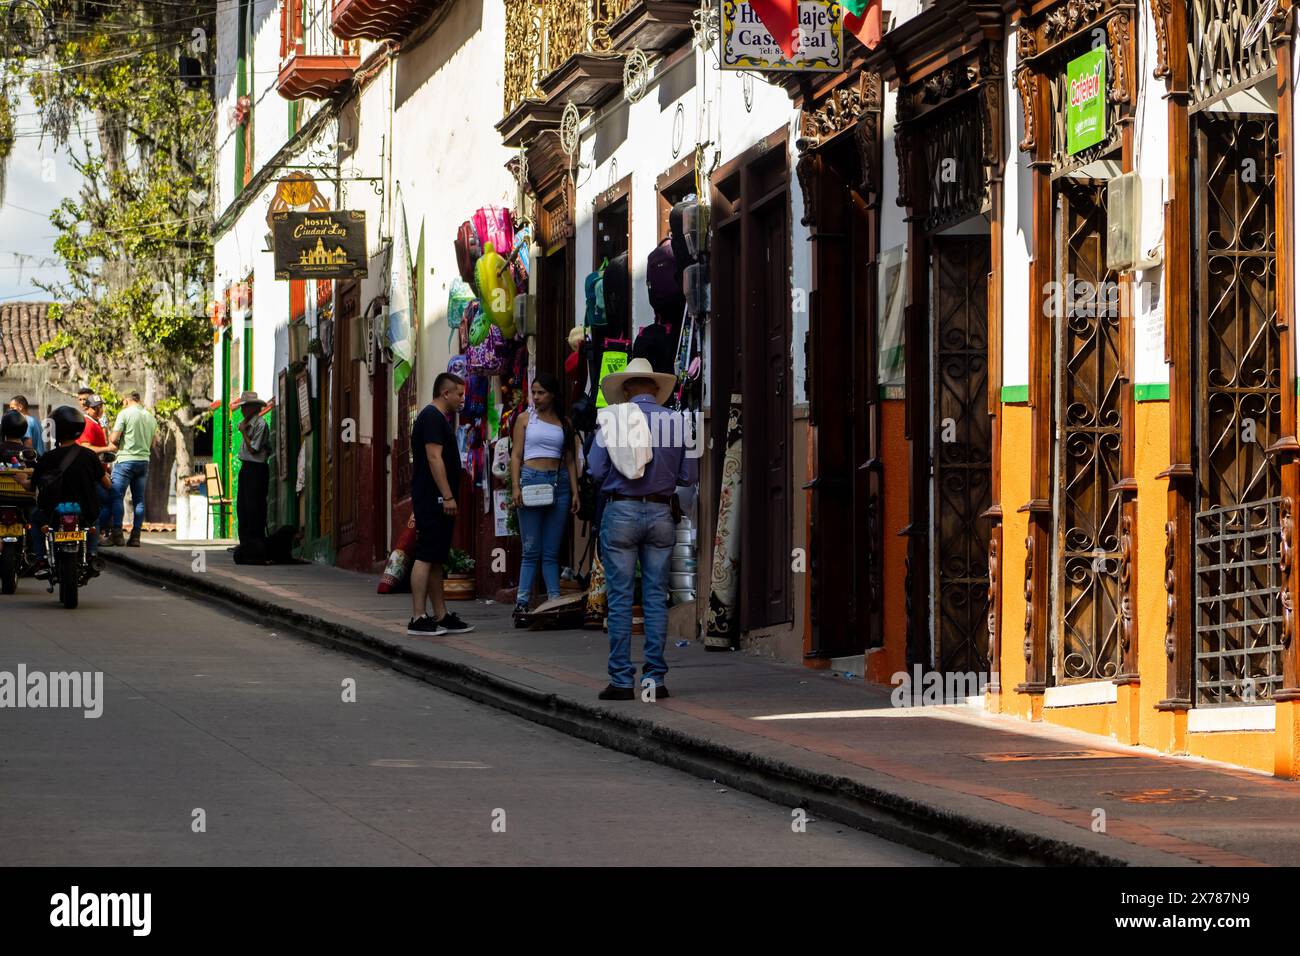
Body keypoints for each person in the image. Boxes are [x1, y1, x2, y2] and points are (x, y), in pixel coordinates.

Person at [586, 357, 698, 701]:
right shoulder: (678, 421)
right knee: (655, 597)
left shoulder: (612, 420)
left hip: (621, 510)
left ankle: (621, 680)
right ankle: (654, 680)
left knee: (620, 598)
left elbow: (595, 470)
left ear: (626, 390)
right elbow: (689, 477)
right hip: (662, 513)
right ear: (655, 388)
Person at [407, 372, 474, 636]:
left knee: (436, 557)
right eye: (459, 394)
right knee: (426, 554)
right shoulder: (432, 417)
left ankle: (441, 614)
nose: (462, 399)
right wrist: (447, 495)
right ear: (446, 393)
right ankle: (417, 616)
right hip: (433, 498)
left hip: (436, 497)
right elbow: (434, 458)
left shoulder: (438, 418)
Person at [510, 371, 580, 621]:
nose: (536, 397)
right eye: (534, 393)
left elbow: (570, 460)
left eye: (541, 393)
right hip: (531, 480)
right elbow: (516, 455)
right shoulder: (525, 419)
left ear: (552, 395)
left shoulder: (565, 422)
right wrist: (515, 487)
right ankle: (522, 603)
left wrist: (575, 491)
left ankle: (554, 602)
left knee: (551, 551)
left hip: (559, 484)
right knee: (531, 549)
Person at [31, 405, 110, 569]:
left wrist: (20, 480)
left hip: (51, 512)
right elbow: (107, 485)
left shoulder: (47, 458)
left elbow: (32, 485)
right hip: (85, 510)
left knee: (35, 519)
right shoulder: (89, 456)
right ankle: (91, 553)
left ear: (55, 430)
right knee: (95, 520)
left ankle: (41, 558)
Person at [105, 391, 157, 548]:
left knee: (116, 497)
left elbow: (114, 438)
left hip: (125, 461)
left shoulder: (125, 414)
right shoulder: (150, 417)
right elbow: (153, 443)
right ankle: (135, 537)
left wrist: (116, 440)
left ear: (126, 400)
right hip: (143, 462)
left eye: (123, 401)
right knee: (139, 500)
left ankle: (117, 536)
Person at [233, 391, 272, 564]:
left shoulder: (261, 424)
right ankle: (245, 544)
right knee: (243, 507)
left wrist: (243, 432)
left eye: (245, 407)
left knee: (254, 507)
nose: (242, 410)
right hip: (246, 468)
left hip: (257, 469)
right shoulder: (246, 423)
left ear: (254, 408)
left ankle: (256, 546)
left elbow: (253, 449)